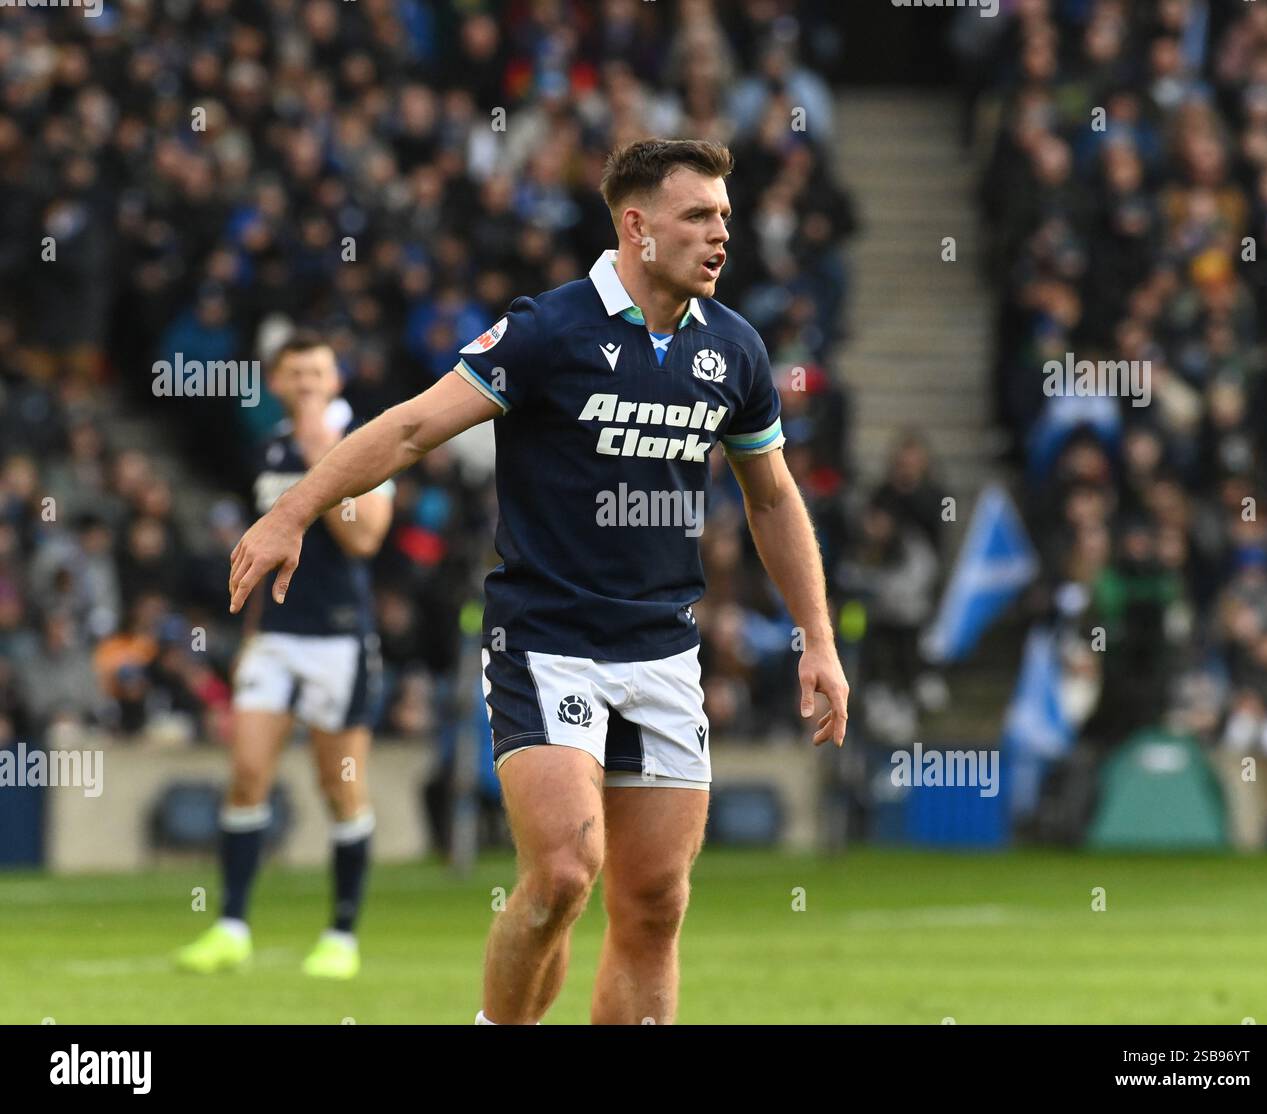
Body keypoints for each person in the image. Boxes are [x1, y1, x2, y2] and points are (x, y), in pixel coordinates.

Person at [227, 139, 849, 1023]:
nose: (721, 236)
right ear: (636, 228)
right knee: (562, 875)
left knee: (655, 906)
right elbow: (409, 431)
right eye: (699, 217)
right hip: (546, 642)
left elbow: (775, 499)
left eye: (725, 218)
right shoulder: (550, 330)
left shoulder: (736, 352)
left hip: (663, 651)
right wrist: (292, 511)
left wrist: (817, 640)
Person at [175, 332, 394, 979]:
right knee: (245, 774)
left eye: (316, 372)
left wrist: (320, 454)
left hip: (339, 636)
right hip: (275, 637)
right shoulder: (267, 450)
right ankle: (231, 925)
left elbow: (365, 538)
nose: (305, 383)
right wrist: (250, 637)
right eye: (294, 374)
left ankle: (341, 935)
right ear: (276, 383)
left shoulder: (367, 439)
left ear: (337, 379)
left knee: (340, 787)